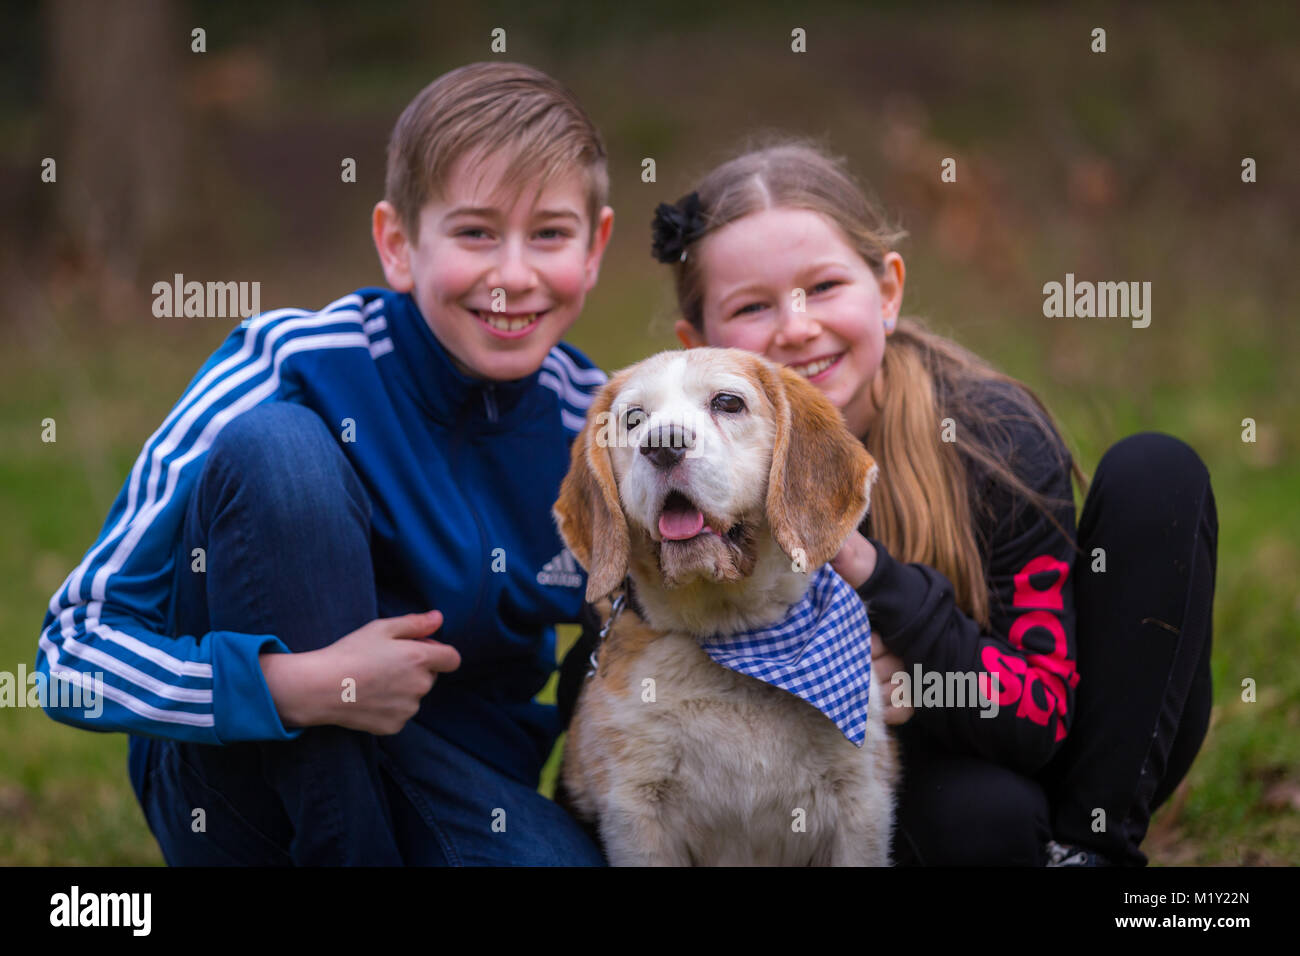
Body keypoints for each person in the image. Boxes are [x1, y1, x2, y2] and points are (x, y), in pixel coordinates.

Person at [35, 61, 617, 866]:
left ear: (594, 250)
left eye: (549, 234)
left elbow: (662, 635)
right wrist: (298, 685)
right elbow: (68, 658)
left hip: (462, 794)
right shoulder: (293, 361)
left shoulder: (598, 425)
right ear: (398, 244)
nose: (513, 276)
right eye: (476, 232)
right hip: (248, 786)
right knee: (282, 454)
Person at [596, 139, 1216, 866]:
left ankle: (1093, 852)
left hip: (1068, 741)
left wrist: (880, 591)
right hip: (901, 776)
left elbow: (1042, 714)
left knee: (1159, 472)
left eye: (823, 287)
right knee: (985, 823)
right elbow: (610, 672)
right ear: (695, 345)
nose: (796, 327)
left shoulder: (995, 437)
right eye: (753, 306)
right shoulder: (669, 484)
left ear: (887, 291)